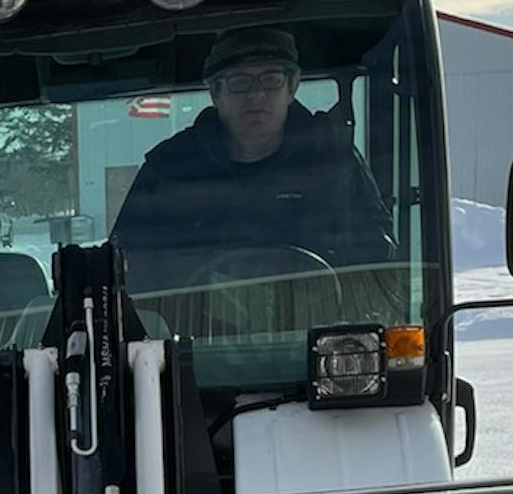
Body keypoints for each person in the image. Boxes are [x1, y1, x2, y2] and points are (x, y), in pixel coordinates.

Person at [108, 28, 395, 297]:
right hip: (191, 340)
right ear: (215, 92)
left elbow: (378, 262)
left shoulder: (333, 160)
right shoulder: (169, 169)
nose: (256, 95)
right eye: (240, 82)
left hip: (319, 339)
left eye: (271, 80)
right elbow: (123, 270)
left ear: (292, 86)